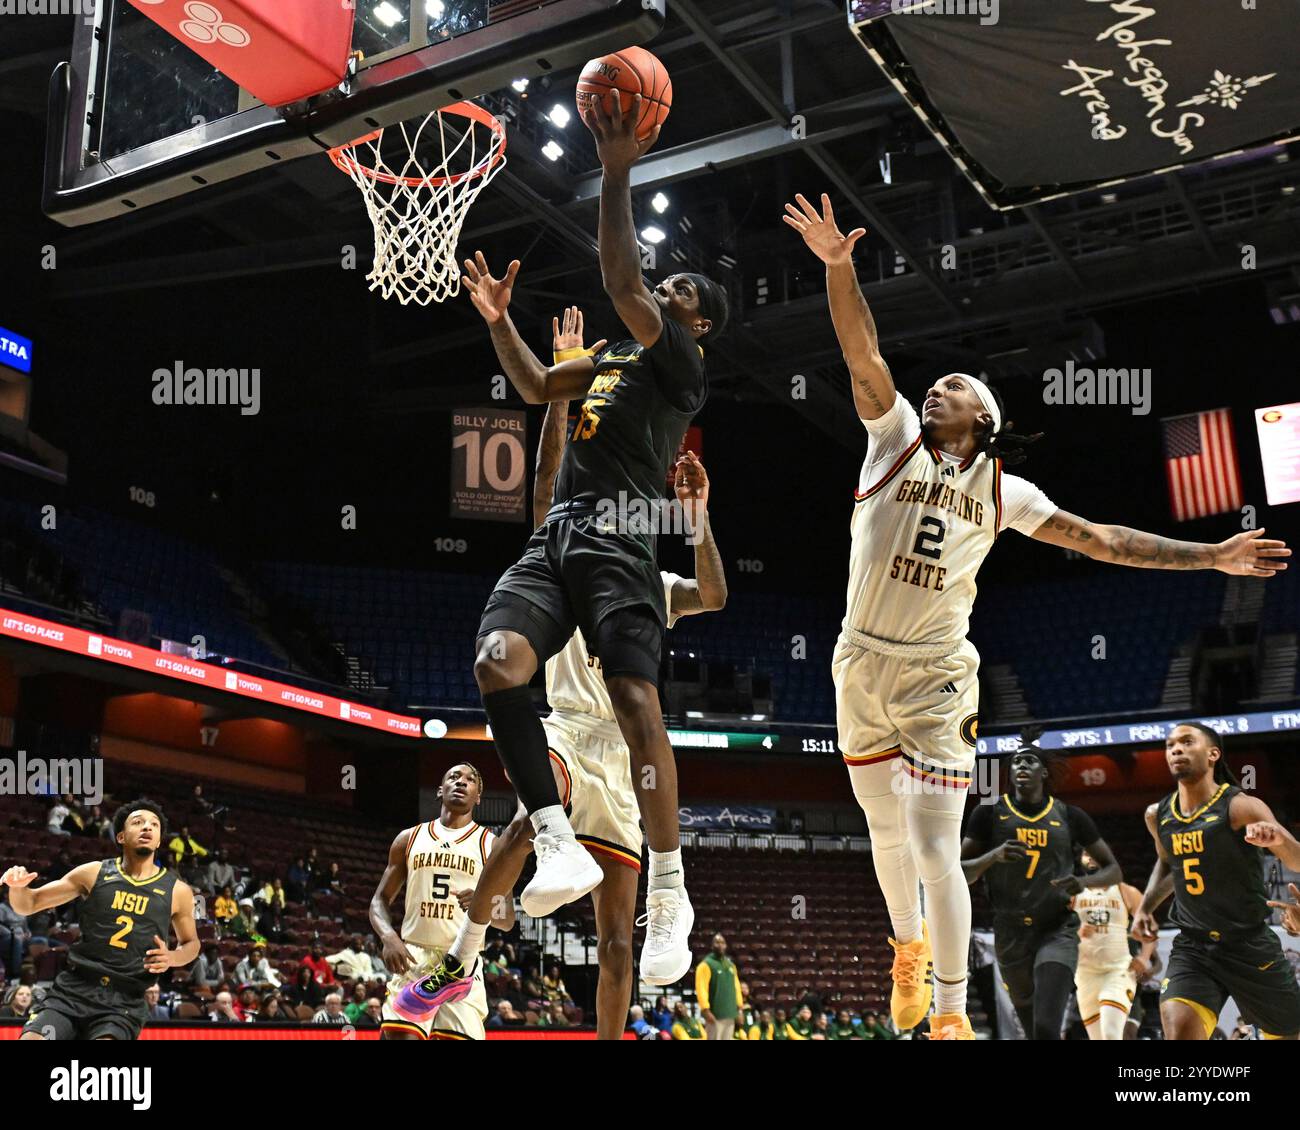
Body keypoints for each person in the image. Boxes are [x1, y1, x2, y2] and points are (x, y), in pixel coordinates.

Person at [784, 193, 1292, 1042]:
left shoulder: (1005, 490)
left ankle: (950, 1015)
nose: (931, 388)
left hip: (939, 673)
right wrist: (840, 269)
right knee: (882, 827)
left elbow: (1100, 539)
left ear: (982, 421)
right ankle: (906, 949)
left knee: (934, 842)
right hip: (856, 658)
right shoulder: (894, 439)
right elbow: (861, 350)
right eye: (934, 383)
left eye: (951, 387)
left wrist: (1209, 556)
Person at [462, 90, 730, 988]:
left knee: (635, 701)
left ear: (697, 328)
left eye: (681, 292)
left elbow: (622, 282)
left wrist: (616, 170)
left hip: (622, 536)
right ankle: (551, 837)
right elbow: (540, 387)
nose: (666, 289)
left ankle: (672, 891)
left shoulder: (679, 365)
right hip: (566, 533)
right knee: (499, 661)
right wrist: (500, 322)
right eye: (671, 283)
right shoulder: (613, 358)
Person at [418, 368, 727, 1039]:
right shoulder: (559, 558)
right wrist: (558, 396)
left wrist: (699, 525)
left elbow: (714, 596)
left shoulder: (648, 580)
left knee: (618, 941)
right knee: (529, 820)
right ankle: (462, 955)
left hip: (622, 756)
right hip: (565, 728)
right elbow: (544, 492)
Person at [1132, 722, 1300, 1040]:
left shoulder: (1240, 806)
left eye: (1186, 742)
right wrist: (1145, 907)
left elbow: (1296, 860)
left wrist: (1276, 838)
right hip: (1194, 946)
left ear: (1213, 754)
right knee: (1179, 1031)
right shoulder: (1159, 814)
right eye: (1170, 745)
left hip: (1249, 945)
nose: (1176, 749)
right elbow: (1170, 864)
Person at [961, 742, 1122, 1040]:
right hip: (1009, 931)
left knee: (1047, 1027)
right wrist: (992, 857)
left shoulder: (1070, 816)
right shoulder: (988, 813)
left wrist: (1083, 883)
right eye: (1016, 761)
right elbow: (958, 873)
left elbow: (1113, 869)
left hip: (1056, 928)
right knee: (1035, 1030)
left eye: (1030, 761)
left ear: (1044, 772)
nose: (1021, 766)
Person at [4, 799, 199, 1041]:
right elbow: (29, 903)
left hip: (123, 1001)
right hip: (73, 990)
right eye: (137, 822)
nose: (147, 827)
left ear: (159, 840)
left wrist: (172, 957)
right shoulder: (94, 873)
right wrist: (17, 888)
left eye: (154, 825)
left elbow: (191, 944)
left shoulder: (178, 891)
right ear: (120, 837)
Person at [372, 763, 513, 1040]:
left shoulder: (491, 845)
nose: (461, 782)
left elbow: (506, 919)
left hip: (462, 962)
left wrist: (482, 903)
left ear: (478, 797)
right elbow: (380, 900)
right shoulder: (408, 839)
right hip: (414, 957)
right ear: (440, 790)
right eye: (454, 777)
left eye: (470, 780)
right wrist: (388, 937)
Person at [1072, 850, 1155, 1041]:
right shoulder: (1073, 893)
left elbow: (1149, 928)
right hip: (1085, 974)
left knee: (1112, 1035)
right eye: (1086, 854)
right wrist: (1076, 932)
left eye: (1096, 853)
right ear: (1080, 860)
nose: (1091, 857)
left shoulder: (1126, 891)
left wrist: (1143, 957)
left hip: (1118, 971)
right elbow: (1056, 931)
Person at [695, 932, 744, 1040]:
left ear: (726, 946)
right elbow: (701, 988)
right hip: (714, 1014)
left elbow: (736, 988)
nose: (720, 945)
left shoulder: (731, 965)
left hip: (730, 1013)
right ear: (712, 946)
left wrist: (740, 1009)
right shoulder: (706, 964)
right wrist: (705, 1009)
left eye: (722, 942)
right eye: (717, 942)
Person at [0, 885, 29, 984]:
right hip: (6, 938)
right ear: (5, 895)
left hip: (22, 935)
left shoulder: (20, 907)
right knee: (17, 941)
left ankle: (30, 976)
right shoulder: (2, 908)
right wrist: (13, 934)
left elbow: (25, 924)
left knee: (39, 941)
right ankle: (16, 973)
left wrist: (28, 933)